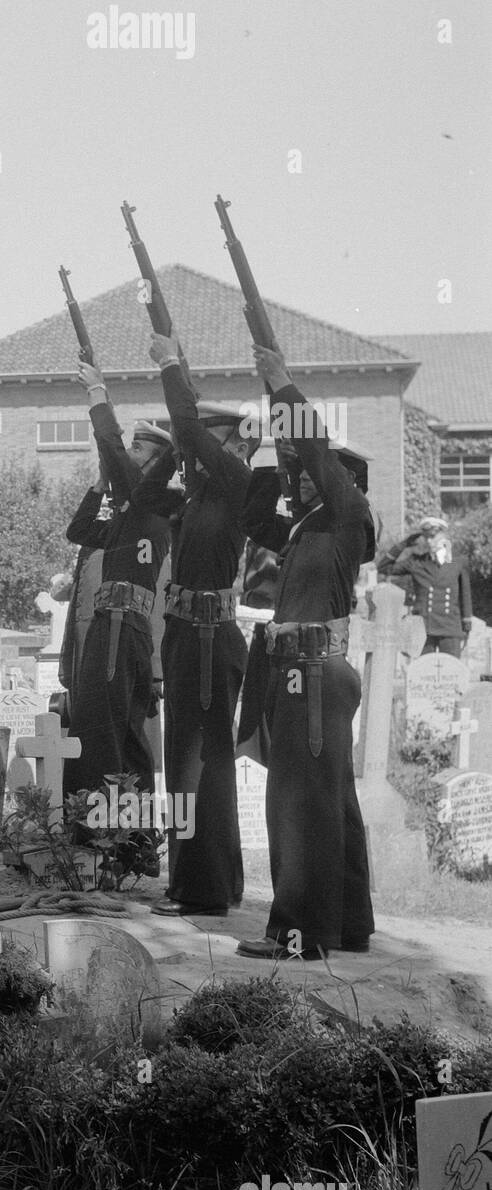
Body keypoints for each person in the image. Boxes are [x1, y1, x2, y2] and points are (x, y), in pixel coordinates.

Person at [237, 344, 375, 959]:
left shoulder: (348, 518)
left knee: (300, 806)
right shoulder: (303, 532)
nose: (298, 477)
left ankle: (300, 935)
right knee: (330, 802)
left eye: (305, 473)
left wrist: (284, 389)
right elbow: (249, 511)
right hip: (306, 671)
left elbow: (319, 452)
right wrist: (275, 452)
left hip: (314, 674)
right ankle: (347, 926)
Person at [149, 333, 258, 918]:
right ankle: (218, 881)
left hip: (210, 638)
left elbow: (186, 429)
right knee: (194, 764)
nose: (192, 452)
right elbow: (145, 483)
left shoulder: (238, 482)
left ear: (227, 445)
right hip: (191, 636)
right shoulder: (199, 498)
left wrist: (171, 363)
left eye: (204, 444)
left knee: (198, 766)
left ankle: (202, 890)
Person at [62, 358, 178, 802]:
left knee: (100, 731)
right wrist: (97, 484)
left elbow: (109, 444)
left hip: (117, 625)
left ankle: (101, 834)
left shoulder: (151, 507)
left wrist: (97, 392)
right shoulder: (134, 517)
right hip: (120, 626)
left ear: (151, 467)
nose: (125, 457)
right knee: (124, 736)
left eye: (136, 452)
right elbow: (79, 531)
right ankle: (134, 841)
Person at [379, 516, 471, 657]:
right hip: (423, 627)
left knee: (452, 673)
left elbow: (465, 595)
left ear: (443, 535)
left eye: (433, 536)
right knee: (421, 673)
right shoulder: (417, 562)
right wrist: (403, 545)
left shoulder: (458, 562)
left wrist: (467, 625)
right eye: (426, 537)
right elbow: (384, 567)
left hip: (450, 627)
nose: (429, 541)